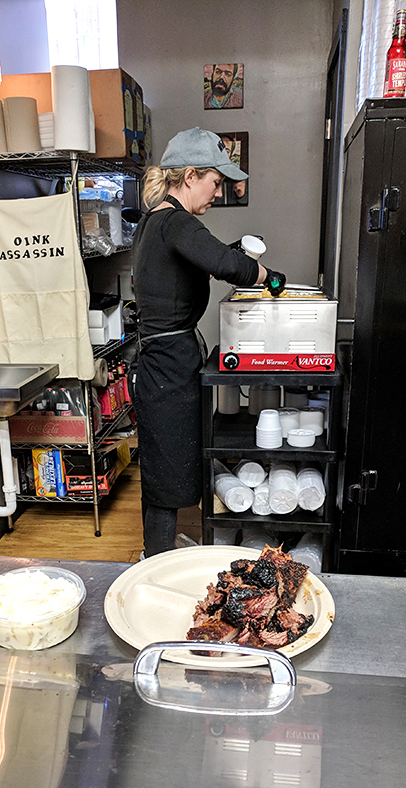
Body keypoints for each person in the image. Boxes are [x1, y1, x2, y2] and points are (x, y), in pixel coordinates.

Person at [130, 126, 286, 557]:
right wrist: (268, 277)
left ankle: (160, 550)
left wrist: (235, 256)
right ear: (191, 175)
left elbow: (205, 260)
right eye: (216, 182)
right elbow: (223, 263)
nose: (218, 192)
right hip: (167, 364)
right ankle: (155, 563)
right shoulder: (175, 221)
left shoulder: (156, 221)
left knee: (167, 459)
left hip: (166, 357)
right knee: (165, 470)